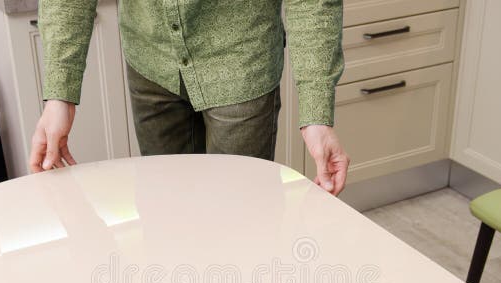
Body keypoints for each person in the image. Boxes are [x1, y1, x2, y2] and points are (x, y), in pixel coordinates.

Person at [28, 0, 349, 195]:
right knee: (164, 212)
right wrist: (60, 95)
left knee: (240, 221)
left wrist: (316, 114)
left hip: (241, 64)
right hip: (151, 61)